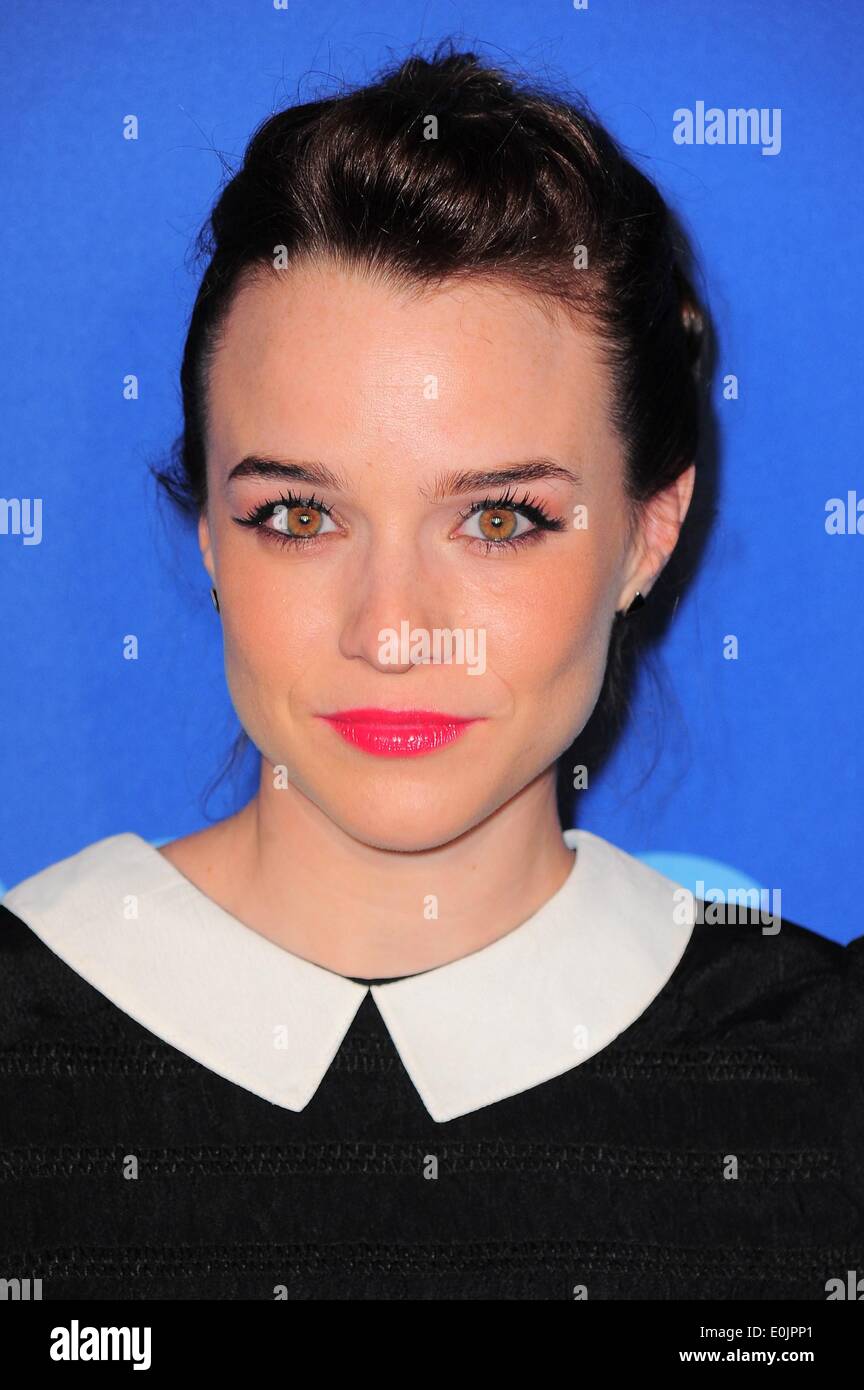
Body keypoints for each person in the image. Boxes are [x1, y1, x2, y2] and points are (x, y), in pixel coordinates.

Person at [1, 44, 861, 1301]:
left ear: (648, 531)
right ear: (208, 535)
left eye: (500, 518)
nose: (393, 631)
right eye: (299, 515)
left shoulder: (820, 1078)